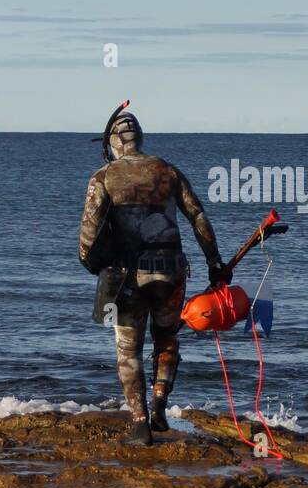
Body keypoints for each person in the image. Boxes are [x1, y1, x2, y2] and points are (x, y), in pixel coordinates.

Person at [78, 104, 230, 445]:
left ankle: (140, 425)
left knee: (128, 351)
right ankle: (161, 406)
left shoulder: (103, 177)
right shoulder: (168, 171)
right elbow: (199, 218)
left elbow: (88, 235)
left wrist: (90, 263)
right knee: (167, 338)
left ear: (114, 143)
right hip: (172, 272)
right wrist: (214, 264)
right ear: (140, 138)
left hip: (128, 278)